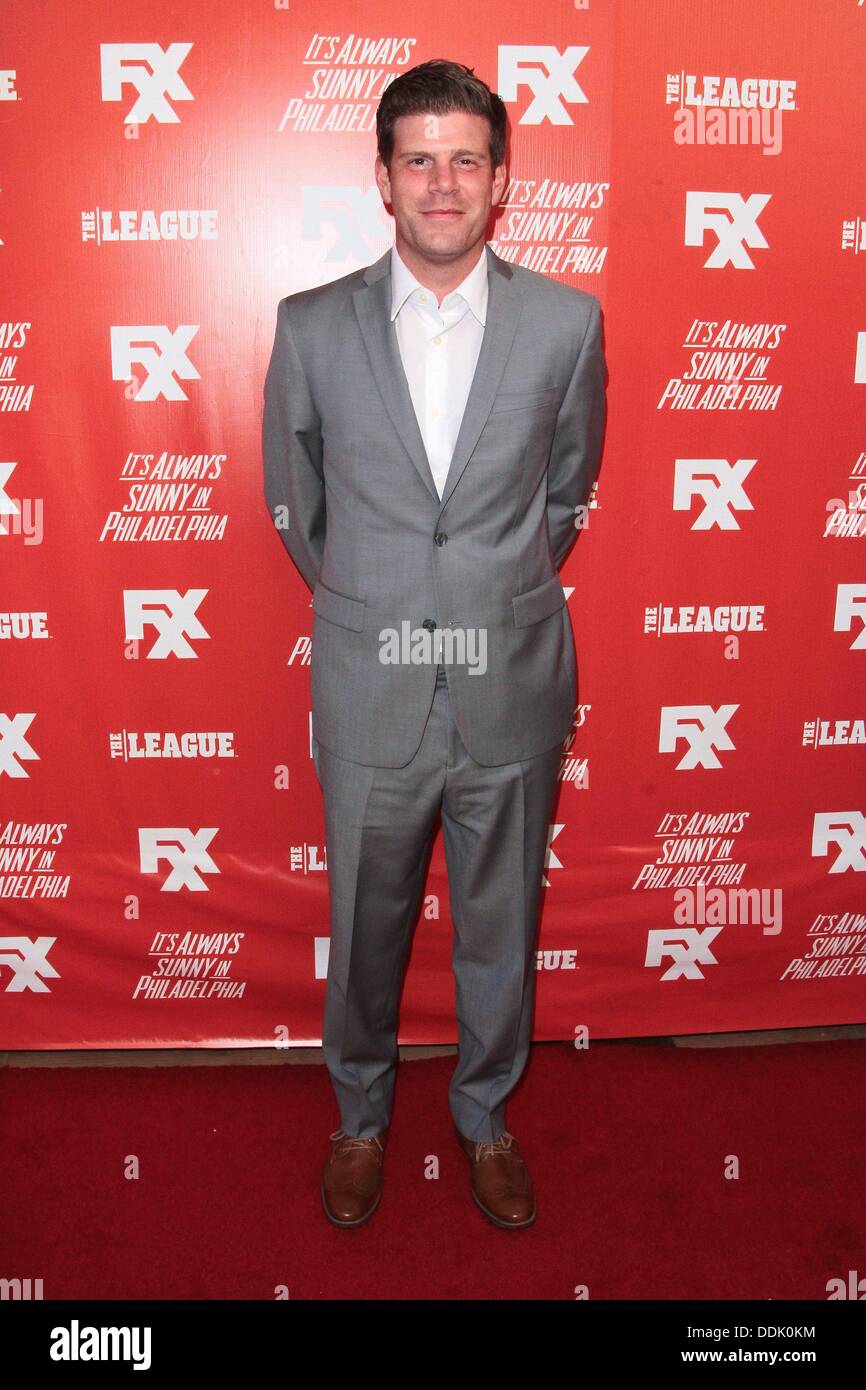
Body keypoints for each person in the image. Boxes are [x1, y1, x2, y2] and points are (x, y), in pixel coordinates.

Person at [262, 58, 607, 1230]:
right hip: (371, 686)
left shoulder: (567, 322)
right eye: (419, 158)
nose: (442, 181)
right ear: (382, 177)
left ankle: (485, 1115)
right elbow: (295, 502)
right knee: (363, 925)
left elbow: (563, 498)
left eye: (466, 158)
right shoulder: (309, 327)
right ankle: (360, 1115)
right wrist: (378, 598)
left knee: (499, 922)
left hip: (511, 677)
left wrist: (481, 591)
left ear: (500, 179)